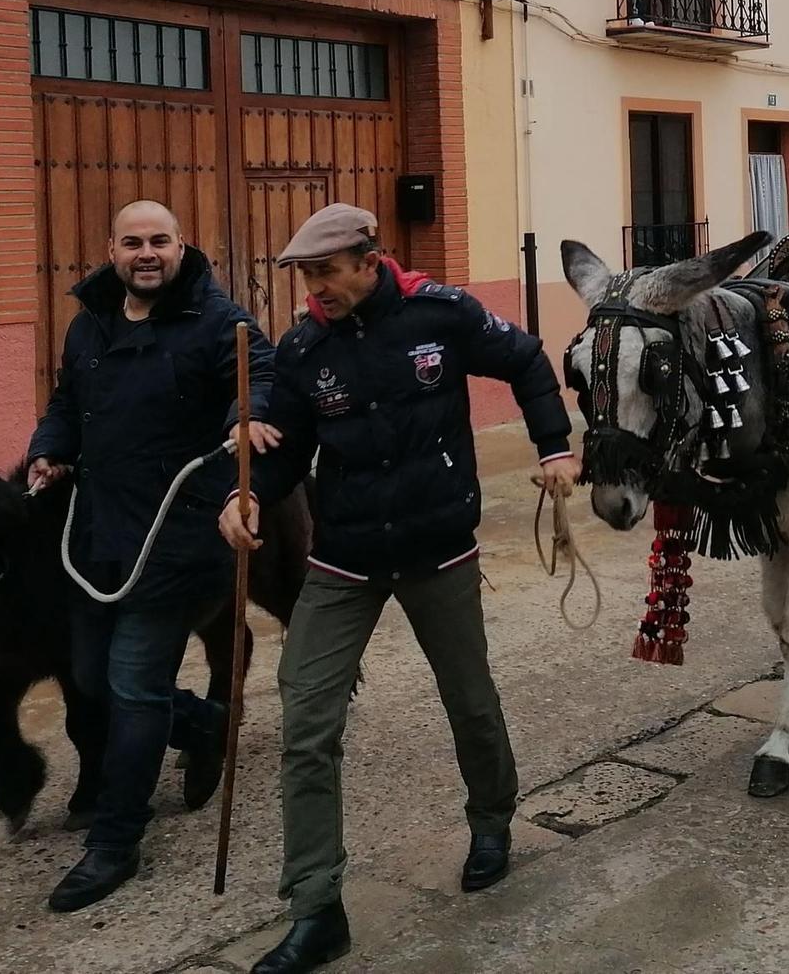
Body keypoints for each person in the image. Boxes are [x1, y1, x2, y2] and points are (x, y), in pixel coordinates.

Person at [224, 204, 579, 974]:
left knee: (472, 703)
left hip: (438, 548)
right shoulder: (303, 347)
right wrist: (243, 496)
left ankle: (491, 820)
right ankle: (317, 907)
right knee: (306, 726)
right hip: (345, 556)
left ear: (367, 258)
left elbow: (522, 359)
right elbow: (279, 451)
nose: (315, 288)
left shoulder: (440, 315)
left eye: (326, 271)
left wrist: (554, 448)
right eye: (304, 275)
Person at [25, 200, 275, 912]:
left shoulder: (219, 325)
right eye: (132, 242)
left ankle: (115, 841)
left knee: (132, 688)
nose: (146, 254)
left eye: (159, 241)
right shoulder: (89, 325)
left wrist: (249, 415)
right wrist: (50, 451)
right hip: (98, 537)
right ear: (111, 249)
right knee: (91, 678)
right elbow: (67, 404)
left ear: (181, 246)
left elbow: (259, 378)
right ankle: (204, 725)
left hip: (177, 538)